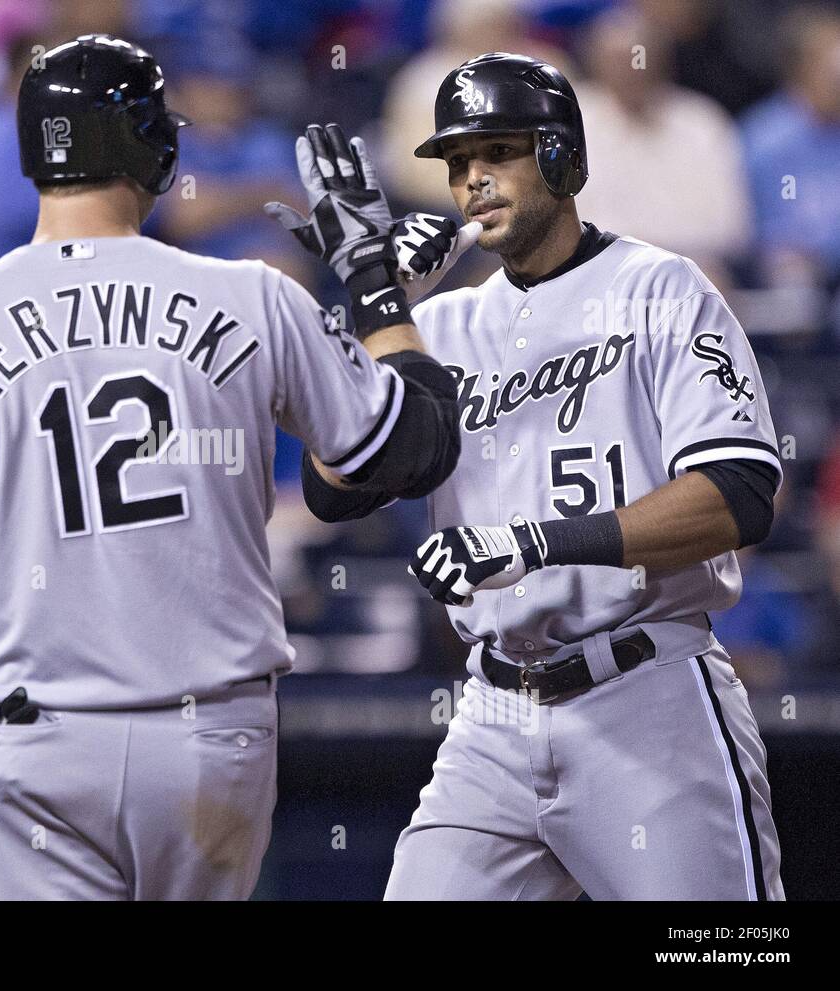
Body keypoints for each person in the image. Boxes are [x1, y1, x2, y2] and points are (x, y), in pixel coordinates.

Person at [0, 34, 459, 900]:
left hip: (35, 746)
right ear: (150, 146)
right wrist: (374, 282)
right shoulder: (252, 294)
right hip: (212, 745)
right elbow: (415, 450)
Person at [301, 53, 785, 900]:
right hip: (493, 710)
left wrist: (534, 544)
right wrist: (378, 308)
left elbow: (740, 494)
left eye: (498, 153)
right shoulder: (442, 324)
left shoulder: (658, 288)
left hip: (647, 693)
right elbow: (333, 487)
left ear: (562, 157)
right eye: (457, 165)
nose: (473, 180)